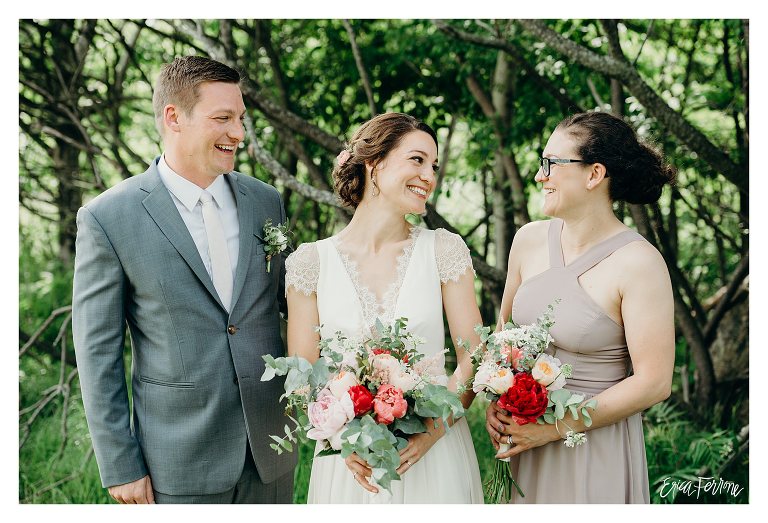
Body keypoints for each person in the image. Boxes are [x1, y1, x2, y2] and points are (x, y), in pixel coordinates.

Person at [72, 56, 296, 504]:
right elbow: (98, 354)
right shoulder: (108, 218)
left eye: (241, 119)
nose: (239, 133)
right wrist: (121, 465)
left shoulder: (265, 201)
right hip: (177, 462)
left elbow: (293, 304)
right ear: (174, 117)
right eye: (223, 118)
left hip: (271, 452)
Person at [285, 112, 484, 503]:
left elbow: (472, 356)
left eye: (433, 166)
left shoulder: (443, 250)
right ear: (374, 164)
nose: (429, 176)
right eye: (417, 160)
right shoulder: (311, 262)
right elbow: (303, 373)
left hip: (433, 453)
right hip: (350, 462)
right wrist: (340, 437)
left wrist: (432, 432)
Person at [485, 111, 676, 503]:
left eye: (551, 164)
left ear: (594, 174)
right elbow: (503, 336)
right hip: (523, 442)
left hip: (591, 447)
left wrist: (553, 429)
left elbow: (654, 382)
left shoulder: (639, 263)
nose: (539, 176)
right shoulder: (528, 240)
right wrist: (496, 398)